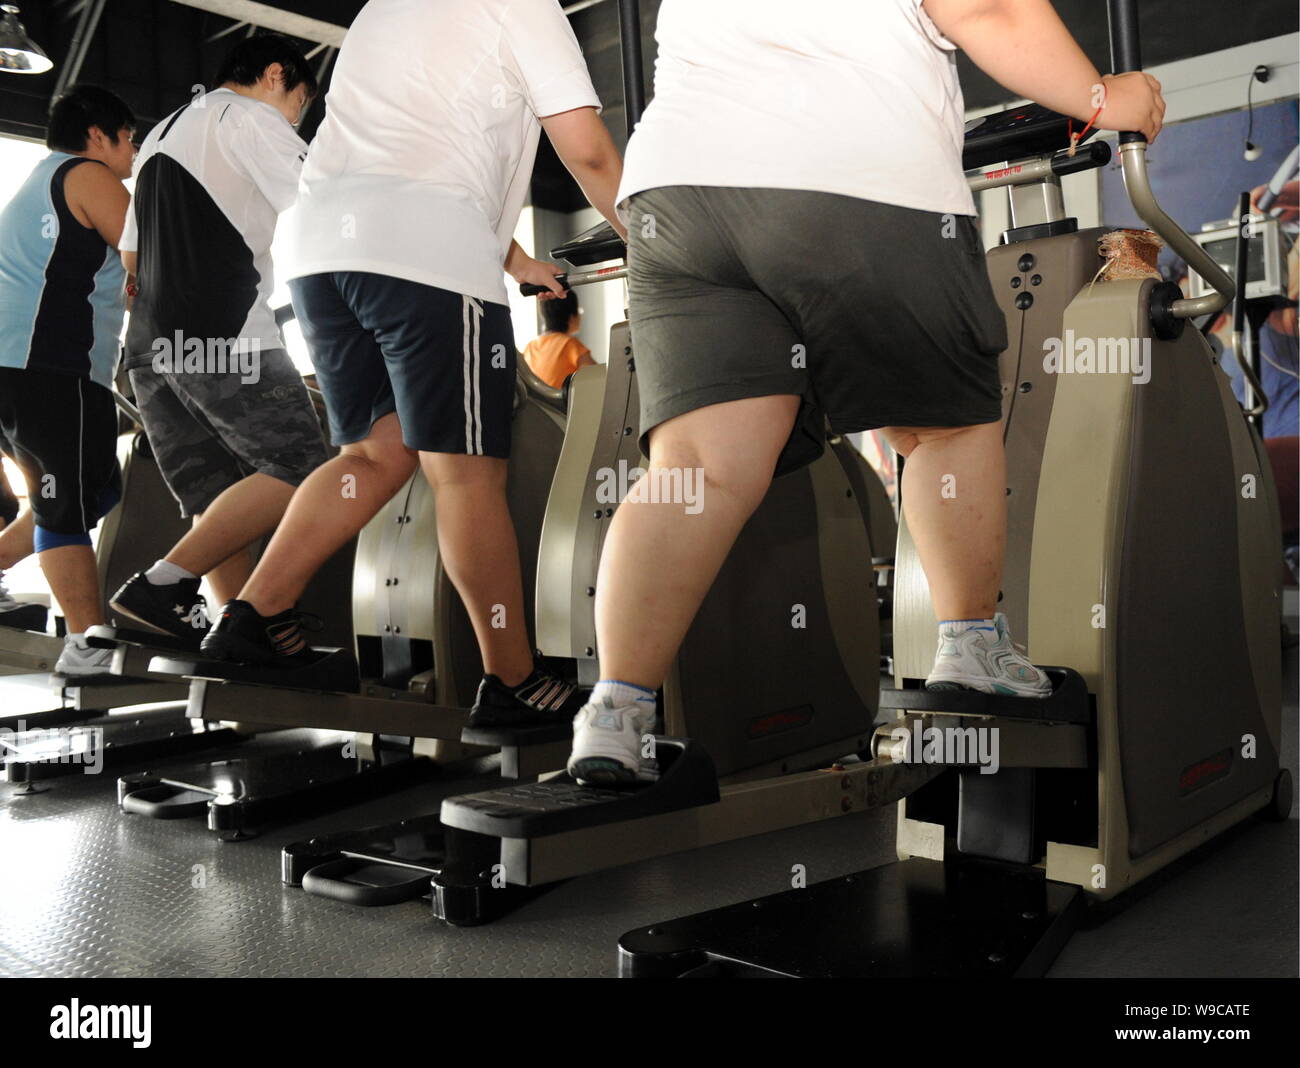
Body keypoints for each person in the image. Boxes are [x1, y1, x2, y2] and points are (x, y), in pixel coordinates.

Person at [564, 0, 1169, 783]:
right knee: (941, 429)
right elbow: (986, 6)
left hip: (675, 192)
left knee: (697, 472)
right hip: (849, 169)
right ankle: (972, 647)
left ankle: (617, 713)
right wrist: (1100, 97)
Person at [200, 0, 627, 729]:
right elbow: (585, 149)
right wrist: (651, 236)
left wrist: (514, 258)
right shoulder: (525, 6)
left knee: (374, 452)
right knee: (463, 472)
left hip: (321, 252)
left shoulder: (384, 10)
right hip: (426, 254)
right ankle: (512, 681)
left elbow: (406, 146)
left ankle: (251, 616)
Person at [109, 34, 329, 647]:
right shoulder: (252, 116)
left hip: (151, 345)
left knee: (219, 495)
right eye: (300, 104)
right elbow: (319, 203)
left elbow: (130, 252)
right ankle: (162, 583)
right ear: (277, 75)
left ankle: (239, 633)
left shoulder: (162, 132)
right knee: (301, 467)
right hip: (223, 334)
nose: (296, 118)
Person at [0, 86, 136, 674]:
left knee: (96, 489)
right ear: (99, 135)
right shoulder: (87, 173)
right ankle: (89, 644)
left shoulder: (42, 180)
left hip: (25, 366)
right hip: (47, 367)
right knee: (64, 504)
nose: (131, 153)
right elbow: (151, 255)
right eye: (129, 139)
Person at [522, 289, 595, 389]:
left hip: (536, 404)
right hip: (559, 404)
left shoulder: (530, 347)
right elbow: (598, 378)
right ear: (571, 317)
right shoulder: (569, 344)